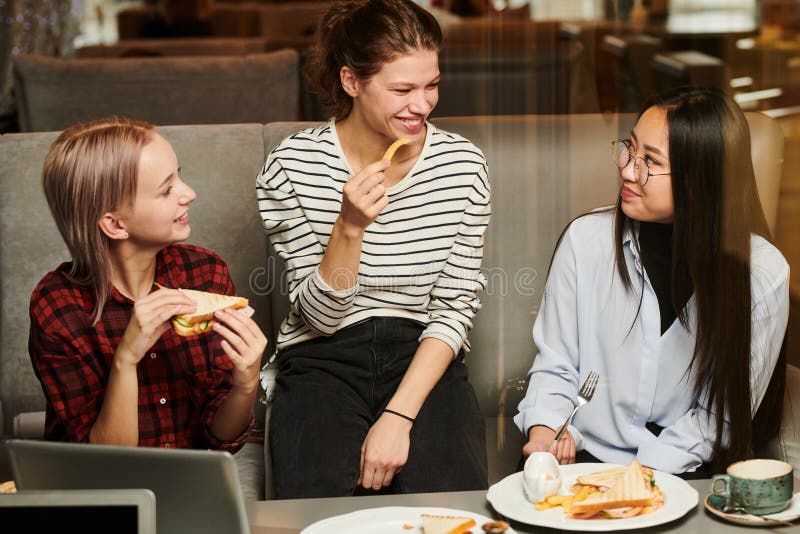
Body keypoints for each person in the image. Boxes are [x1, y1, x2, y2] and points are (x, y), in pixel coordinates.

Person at [257, 0, 490, 498]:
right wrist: (350, 227)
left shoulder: (463, 167)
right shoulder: (291, 167)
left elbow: (453, 310)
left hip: (423, 354)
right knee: (321, 515)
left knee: (453, 508)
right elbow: (318, 319)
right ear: (351, 82)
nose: (422, 105)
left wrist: (399, 415)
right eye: (402, 89)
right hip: (323, 357)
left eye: (432, 85)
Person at [514, 86, 789, 477]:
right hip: (579, 463)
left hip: (686, 472)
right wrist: (545, 435)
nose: (627, 168)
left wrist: (635, 481)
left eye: (650, 161)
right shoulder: (585, 240)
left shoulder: (761, 274)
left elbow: (719, 418)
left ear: (700, 181)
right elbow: (555, 367)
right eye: (629, 147)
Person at [30, 117, 268, 451]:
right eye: (166, 189)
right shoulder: (58, 307)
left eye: (179, 176)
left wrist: (246, 384)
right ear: (114, 224)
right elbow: (106, 466)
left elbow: (222, 438)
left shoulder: (205, 272)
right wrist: (126, 358)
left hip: (192, 481)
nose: (189, 194)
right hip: (106, 493)